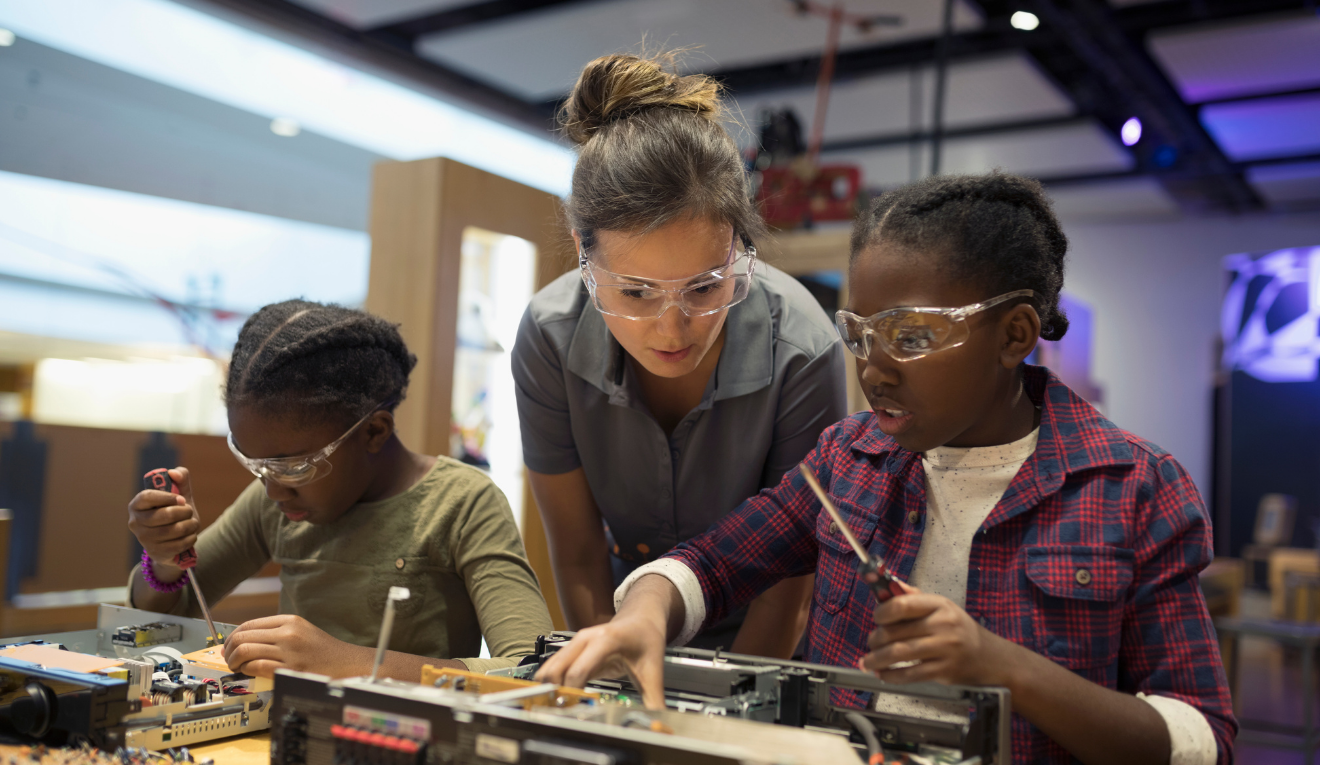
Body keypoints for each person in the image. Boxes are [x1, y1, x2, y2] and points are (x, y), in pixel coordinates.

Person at [534, 173, 1236, 764]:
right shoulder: (848, 460)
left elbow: (1202, 738)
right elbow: (713, 563)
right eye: (861, 334)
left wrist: (1002, 666)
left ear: (1015, 334)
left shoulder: (1133, 488)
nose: (874, 369)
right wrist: (646, 610)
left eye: (910, 336)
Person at [512, 51, 849, 655]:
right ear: (583, 253)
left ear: (738, 246)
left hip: (767, 643)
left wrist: (726, 705)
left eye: (704, 287)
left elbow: (789, 586)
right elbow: (579, 553)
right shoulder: (549, 336)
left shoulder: (802, 347)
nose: (672, 330)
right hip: (621, 618)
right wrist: (612, 682)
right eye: (635, 293)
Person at [127, 300, 553, 680]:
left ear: (374, 431)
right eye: (255, 465)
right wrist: (164, 561)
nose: (273, 491)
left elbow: (530, 670)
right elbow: (157, 619)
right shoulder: (274, 504)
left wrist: (348, 662)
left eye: (294, 468)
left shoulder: (461, 503)